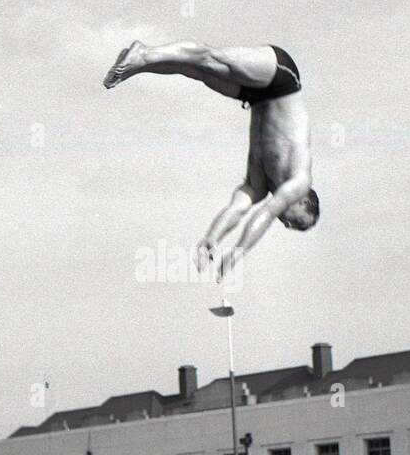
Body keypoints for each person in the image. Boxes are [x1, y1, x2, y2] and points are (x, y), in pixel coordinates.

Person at [104, 39, 318, 278]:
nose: (287, 225)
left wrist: (211, 238)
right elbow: (266, 214)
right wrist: (238, 252)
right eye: (297, 222)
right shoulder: (299, 179)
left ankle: (139, 63)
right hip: (281, 79)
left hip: (256, 97)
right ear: (303, 201)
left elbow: (236, 209)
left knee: (197, 71)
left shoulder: (260, 185)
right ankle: (145, 53)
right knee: (211, 58)